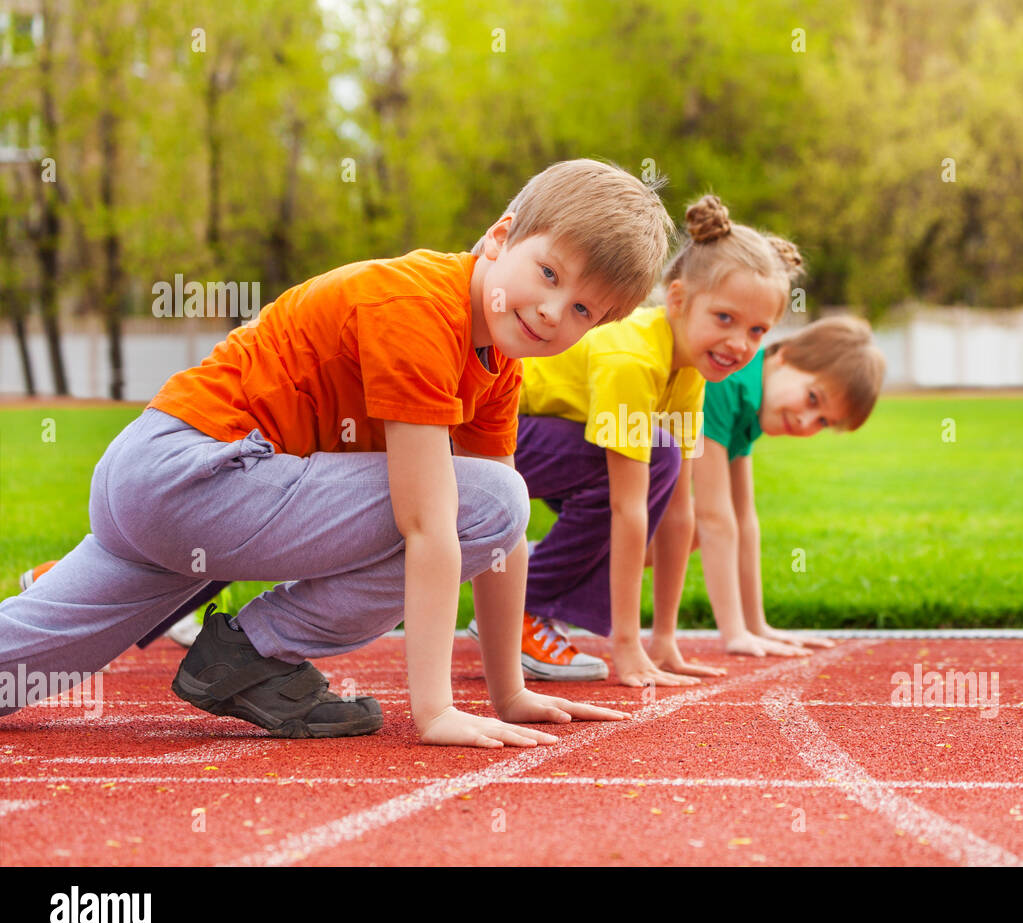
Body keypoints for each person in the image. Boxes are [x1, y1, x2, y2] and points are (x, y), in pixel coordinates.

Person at [0, 158, 672, 747]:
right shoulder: (418, 307)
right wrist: (435, 711)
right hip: (196, 476)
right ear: (501, 236)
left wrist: (509, 694)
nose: (554, 311)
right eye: (549, 273)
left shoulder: (497, 365)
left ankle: (245, 653)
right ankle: (254, 651)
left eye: (583, 310)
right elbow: (433, 525)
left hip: (164, 489)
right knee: (487, 499)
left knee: (17, 666)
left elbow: (501, 542)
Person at [499, 195, 803, 687]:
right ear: (679, 300)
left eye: (756, 330)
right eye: (724, 318)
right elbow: (629, 511)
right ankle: (521, 609)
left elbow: (678, 514)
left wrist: (665, 639)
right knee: (654, 461)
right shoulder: (633, 359)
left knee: (661, 467)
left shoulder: (689, 369)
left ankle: (532, 583)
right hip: (484, 436)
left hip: (537, 441)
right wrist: (627, 646)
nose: (739, 344)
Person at [692, 316, 887, 656]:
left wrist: (756, 625)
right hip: (595, 453)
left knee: (694, 525)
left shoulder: (751, 402)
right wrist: (735, 634)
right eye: (813, 399)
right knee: (687, 526)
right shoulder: (728, 381)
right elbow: (714, 518)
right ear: (785, 355)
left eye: (823, 422)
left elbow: (744, 519)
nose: (806, 422)